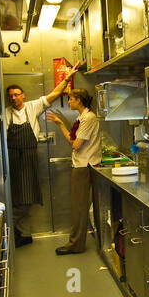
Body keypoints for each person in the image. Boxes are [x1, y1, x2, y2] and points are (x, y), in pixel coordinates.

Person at [6, 65, 81, 246]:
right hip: (12, 158)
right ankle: (18, 233)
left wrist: (67, 79)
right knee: (14, 197)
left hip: (30, 157)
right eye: (11, 96)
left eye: (17, 94)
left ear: (23, 95)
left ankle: (18, 230)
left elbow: (54, 95)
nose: (14, 98)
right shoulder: (5, 113)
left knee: (26, 197)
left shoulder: (33, 106)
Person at [46, 87, 102, 255]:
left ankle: (76, 244)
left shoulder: (88, 118)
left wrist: (60, 124)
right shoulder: (82, 117)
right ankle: (82, 242)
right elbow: (74, 139)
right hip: (83, 165)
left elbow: (76, 145)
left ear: (79, 100)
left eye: (70, 99)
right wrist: (60, 123)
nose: (68, 102)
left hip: (84, 166)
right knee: (80, 206)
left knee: (79, 207)